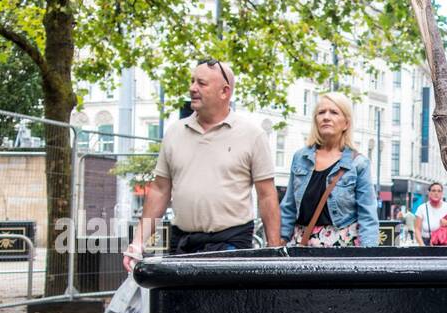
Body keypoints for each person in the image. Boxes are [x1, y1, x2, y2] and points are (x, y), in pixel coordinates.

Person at [124, 59, 279, 268]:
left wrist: (274, 251)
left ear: (224, 92)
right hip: (182, 243)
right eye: (192, 81)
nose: (192, 88)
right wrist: (137, 243)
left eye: (201, 83)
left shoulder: (252, 135)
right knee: (182, 302)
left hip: (232, 244)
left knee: (227, 302)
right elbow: (159, 191)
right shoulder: (174, 132)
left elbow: (267, 195)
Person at [278, 92, 379, 248]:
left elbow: (368, 216)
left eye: (334, 112)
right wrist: (280, 241)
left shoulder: (358, 163)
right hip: (301, 245)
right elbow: (289, 206)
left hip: (342, 248)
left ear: (346, 123)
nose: (326, 117)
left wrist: (368, 254)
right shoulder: (300, 158)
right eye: (321, 112)